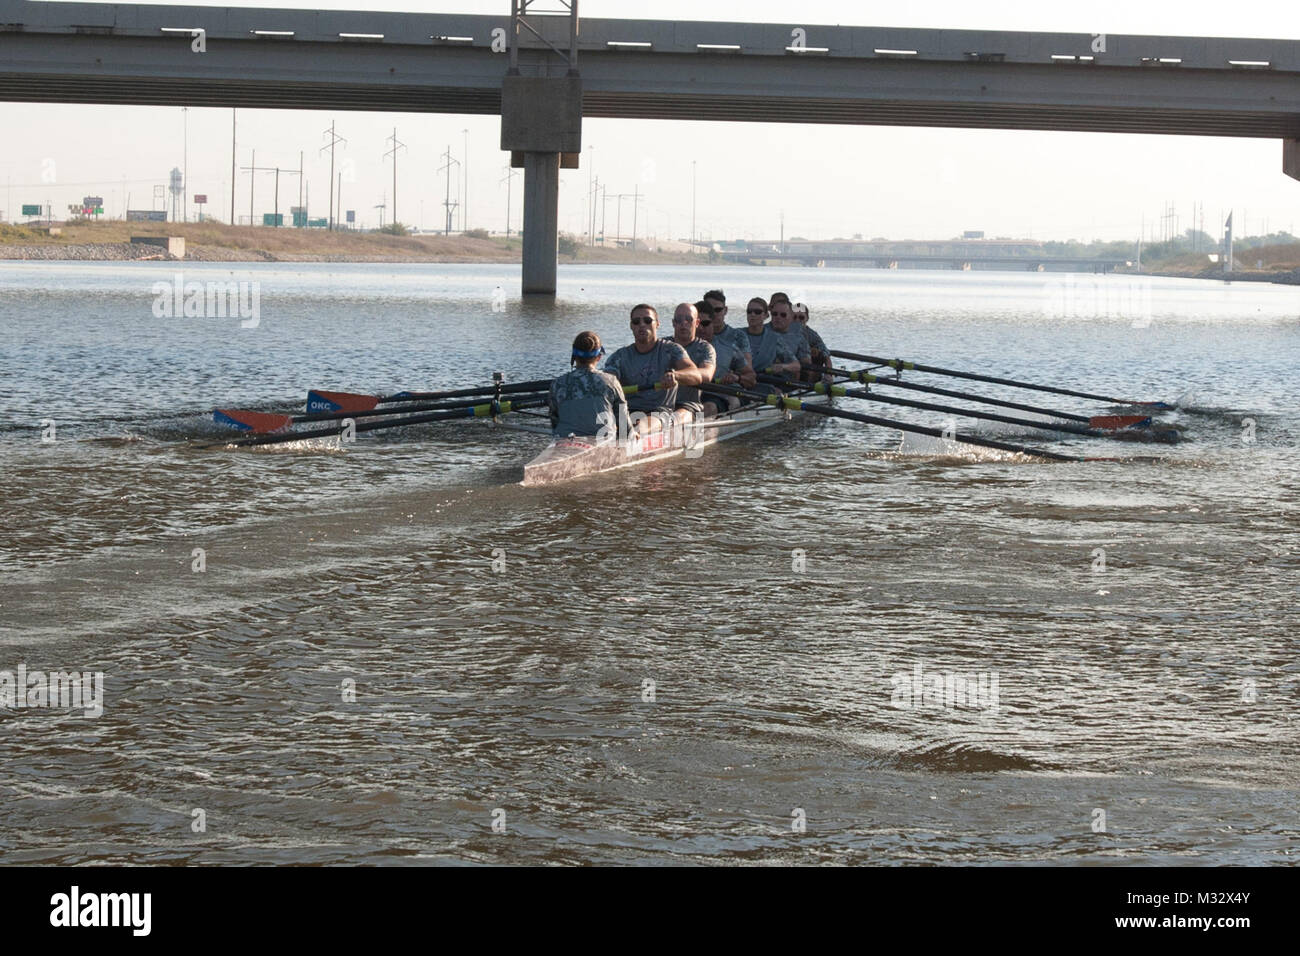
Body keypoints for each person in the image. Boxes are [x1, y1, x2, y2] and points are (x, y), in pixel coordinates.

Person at [603, 303, 697, 432]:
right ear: (631, 326)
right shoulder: (619, 356)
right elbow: (605, 384)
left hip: (658, 413)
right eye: (636, 322)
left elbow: (695, 374)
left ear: (657, 324)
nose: (642, 325)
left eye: (647, 321)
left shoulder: (671, 350)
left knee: (642, 424)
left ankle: (633, 437)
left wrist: (676, 376)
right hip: (627, 411)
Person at [548, 330, 628, 437]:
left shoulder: (557, 384)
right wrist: (632, 433)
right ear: (599, 357)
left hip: (566, 439)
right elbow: (623, 423)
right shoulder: (611, 381)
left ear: (574, 356)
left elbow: (554, 419)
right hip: (602, 441)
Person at [695, 299, 753, 415]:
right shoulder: (679, 347)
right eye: (697, 324)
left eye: (705, 324)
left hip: (720, 395)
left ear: (713, 323)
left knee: (708, 407)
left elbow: (751, 377)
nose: (701, 328)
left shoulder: (729, 348)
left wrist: (737, 378)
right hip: (692, 394)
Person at [668, 303, 716, 423]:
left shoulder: (705, 348)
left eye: (689, 319)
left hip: (687, 405)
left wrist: (677, 376)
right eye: (679, 320)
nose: (683, 323)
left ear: (697, 323)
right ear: (673, 323)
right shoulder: (662, 345)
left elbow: (707, 375)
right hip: (659, 403)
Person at [742, 297, 800, 382]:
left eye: (757, 312)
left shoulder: (774, 338)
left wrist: (783, 367)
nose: (752, 315)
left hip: (762, 381)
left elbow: (796, 365)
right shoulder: (736, 334)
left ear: (766, 316)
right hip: (738, 380)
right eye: (749, 311)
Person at [702, 289, 752, 367]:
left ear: (725, 310)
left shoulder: (738, 336)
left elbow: (748, 367)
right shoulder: (697, 335)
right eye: (710, 310)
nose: (714, 314)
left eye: (718, 310)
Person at [766, 298, 811, 380]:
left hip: (786, 380)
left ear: (791, 318)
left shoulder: (799, 335)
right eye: (774, 314)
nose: (778, 317)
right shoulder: (762, 331)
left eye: (783, 315)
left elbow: (806, 362)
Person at [793, 302, 832, 381]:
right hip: (789, 368)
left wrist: (828, 374)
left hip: (806, 371)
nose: (797, 320)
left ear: (807, 318)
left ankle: (810, 380)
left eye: (801, 318)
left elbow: (826, 357)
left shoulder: (812, 335)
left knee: (819, 354)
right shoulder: (781, 331)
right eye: (794, 317)